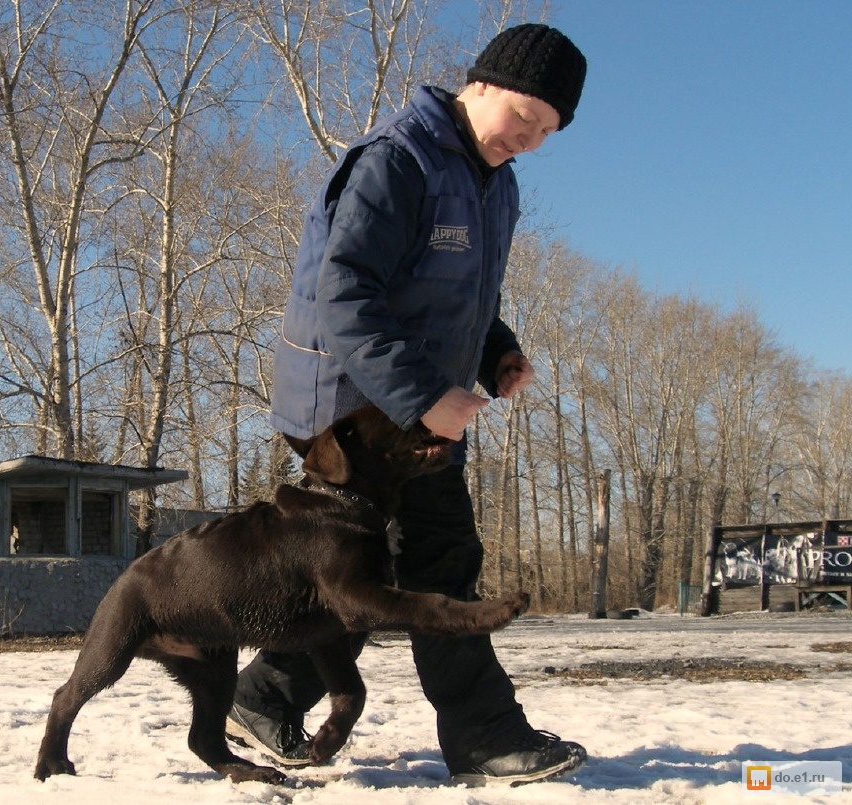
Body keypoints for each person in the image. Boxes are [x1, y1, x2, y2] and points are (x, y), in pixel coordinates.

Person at [227, 23, 588, 786]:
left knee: (364, 574)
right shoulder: (400, 160)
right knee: (441, 558)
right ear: (482, 82)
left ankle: (261, 697)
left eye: (549, 130)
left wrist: (496, 353)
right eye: (526, 115)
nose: (531, 138)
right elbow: (345, 293)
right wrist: (426, 396)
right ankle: (484, 736)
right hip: (352, 415)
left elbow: (456, 295)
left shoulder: (497, 183)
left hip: (403, 412)